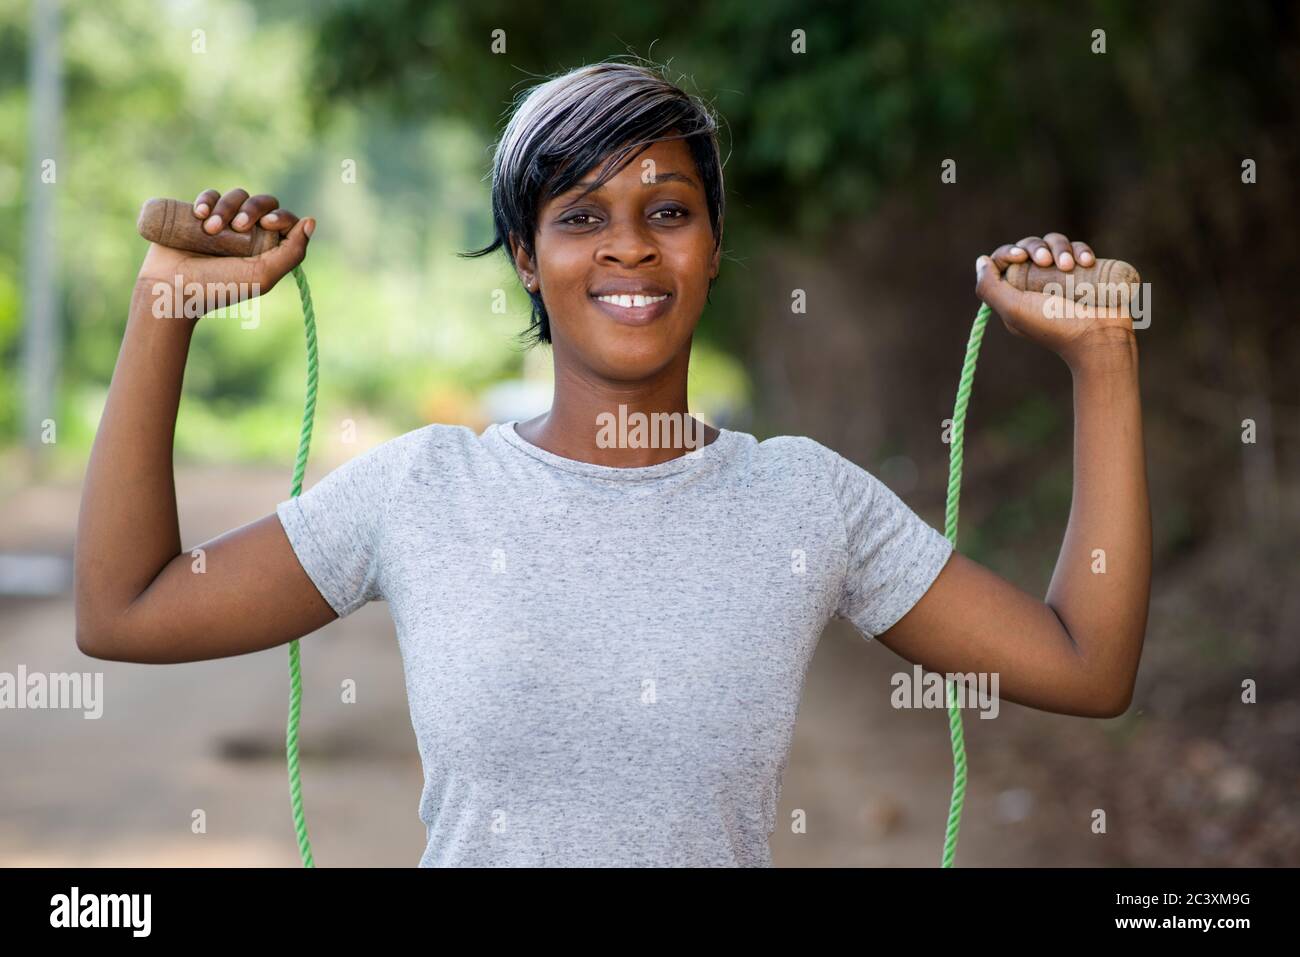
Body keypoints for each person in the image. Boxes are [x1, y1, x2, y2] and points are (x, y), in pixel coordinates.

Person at [74, 60, 1152, 867]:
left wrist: (1102, 364)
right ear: (526, 262)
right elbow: (125, 610)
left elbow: (1085, 666)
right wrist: (163, 305)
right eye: (580, 216)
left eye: (669, 211)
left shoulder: (804, 500)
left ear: (714, 249)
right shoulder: (422, 492)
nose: (629, 246)